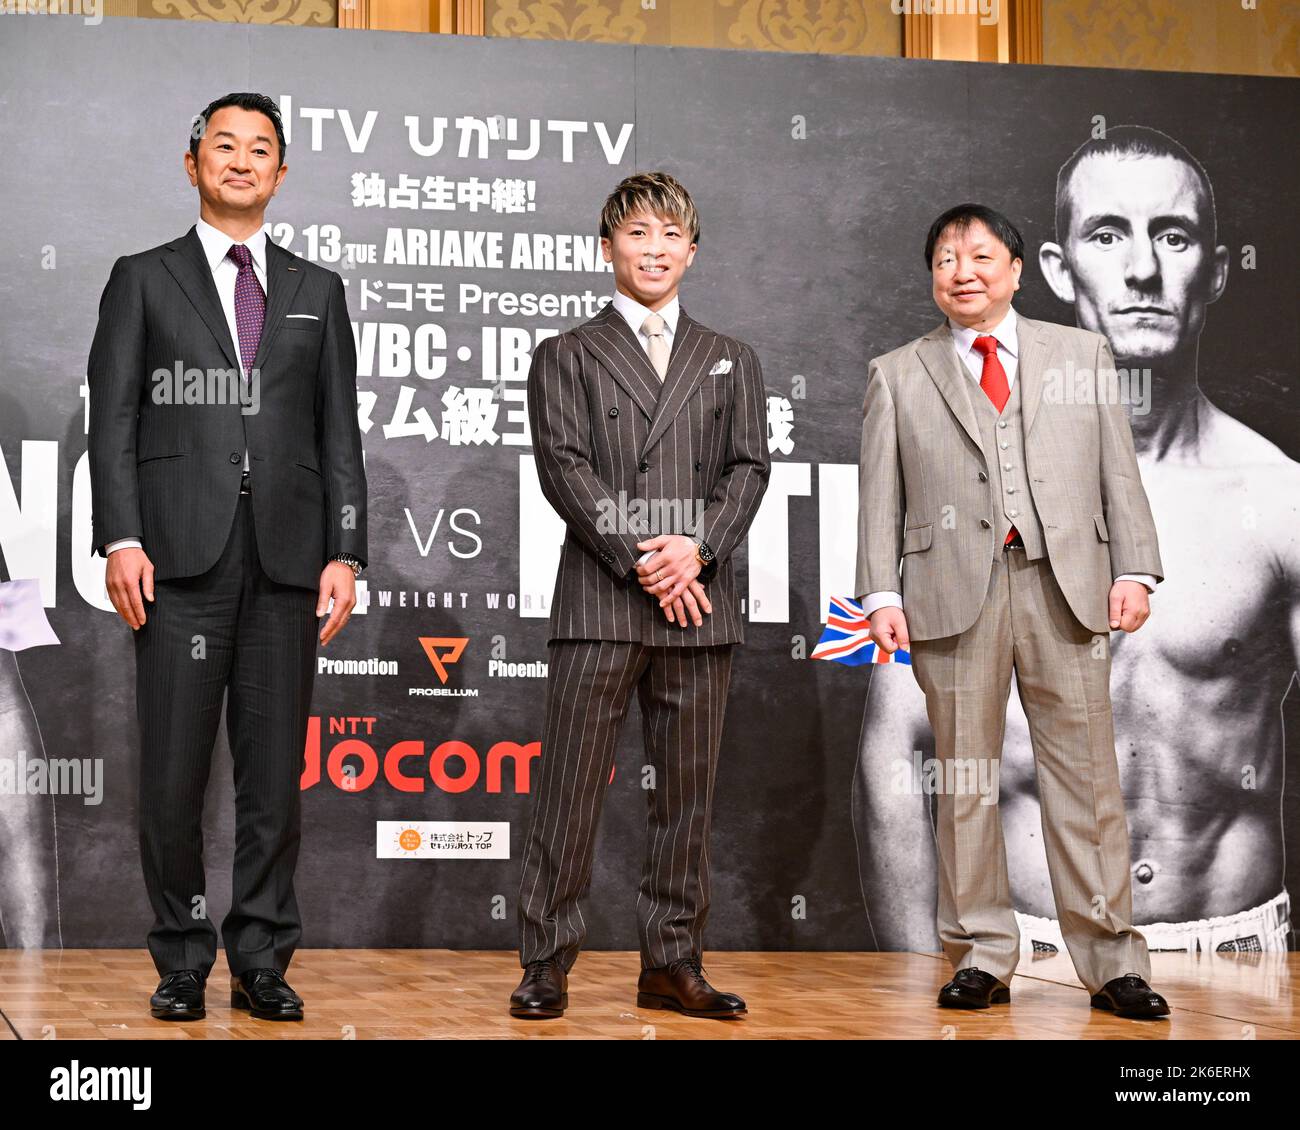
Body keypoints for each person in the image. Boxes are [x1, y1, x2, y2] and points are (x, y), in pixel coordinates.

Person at [855, 129, 1294, 970]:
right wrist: (911, 994)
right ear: (1056, 268)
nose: (1141, 271)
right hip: (1032, 952)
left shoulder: (1279, 503)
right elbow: (899, 755)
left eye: (1173, 235)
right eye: (1107, 235)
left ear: (1217, 267)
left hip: (1235, 952)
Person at [87, 92, 367, 1022]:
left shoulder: (315, 291)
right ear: (192, 161)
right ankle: (179, 959)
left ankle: (261, 958)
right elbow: (115, 420)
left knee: (272, 781)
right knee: (171, 777)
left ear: (282, 172)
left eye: (260, 150)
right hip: (176, 562)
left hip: (288, 566)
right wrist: (120, 536)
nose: (240, 161)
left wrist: (348, 552)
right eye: (223, 145)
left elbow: (339, 438)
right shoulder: (142, 277)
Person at [855, 202, 1169, 1018]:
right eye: (947, 260)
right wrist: (882, 593)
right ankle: (980, 955)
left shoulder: (1082, 354)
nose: (963, 272)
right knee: (964, 780)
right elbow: (878, 497)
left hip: (1066, 583)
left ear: (1018, 270)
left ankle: (1110, 961)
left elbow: (1117, 472)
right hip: (951, 592)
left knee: (1088, 777)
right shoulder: (899, 372)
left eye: (981, 256)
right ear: (932, 277)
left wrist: (1135, 567)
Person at [512, 171, 769, 1020]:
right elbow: (565, 467)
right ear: (606, 247)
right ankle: (545, 961)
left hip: (699, 603)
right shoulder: (567, 353)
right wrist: (645, 558)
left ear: (692, 251)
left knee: (686, 800)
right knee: (570, 792)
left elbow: (747, 468)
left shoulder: (732, 356)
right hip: (601, 599)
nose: (653, 250)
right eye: (636, 235)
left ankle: (672, 960)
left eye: (669, 236)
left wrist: (695, 550)